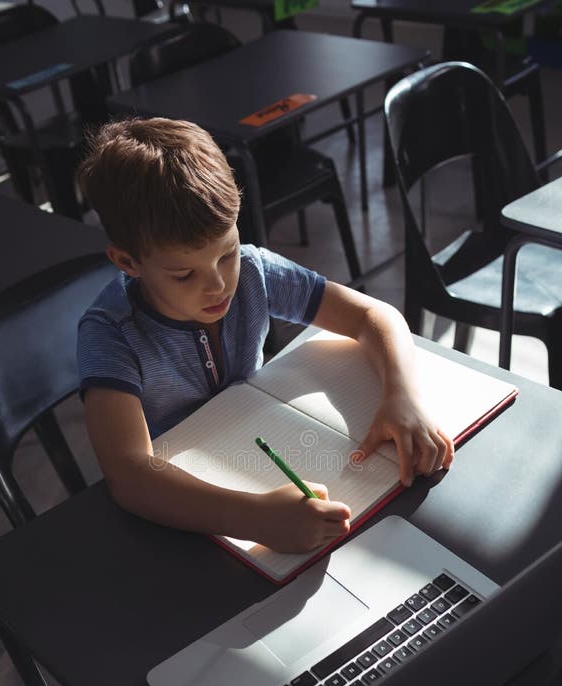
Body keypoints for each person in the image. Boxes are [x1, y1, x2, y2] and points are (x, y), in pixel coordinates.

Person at [77, 117, 454, 554]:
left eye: (228, 253)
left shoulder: (254, 272)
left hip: (262, 452)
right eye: (184, 275)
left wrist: (401, 396)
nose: (218, 285)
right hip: (187, 513)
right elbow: (130, 476)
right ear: (127, 261)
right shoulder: (111, 334)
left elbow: (373, 315)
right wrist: (255, 519)